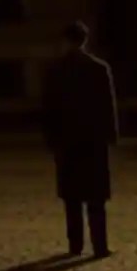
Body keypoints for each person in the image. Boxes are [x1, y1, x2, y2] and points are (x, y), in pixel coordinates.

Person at [41, 21, 119, 258]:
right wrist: (110, 136)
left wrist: (51, 139)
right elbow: (107, 105)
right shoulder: (98, 68)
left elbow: (48, 109)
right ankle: (100, 246)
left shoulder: (55, 70)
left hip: (67, 141)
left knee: (72, 199)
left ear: (66, 40)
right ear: (85, 40)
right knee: (95, 199)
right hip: (93, 142)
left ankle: (75, 246)